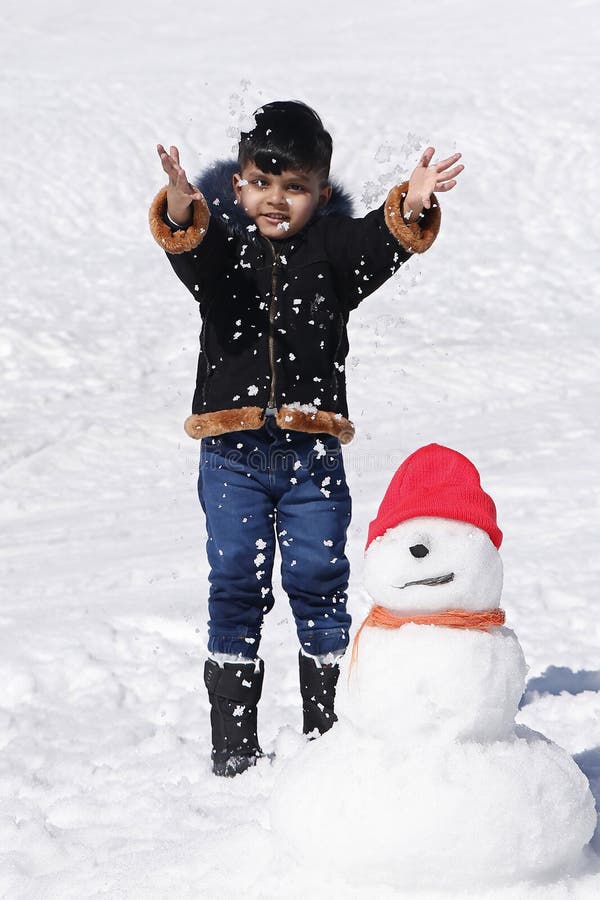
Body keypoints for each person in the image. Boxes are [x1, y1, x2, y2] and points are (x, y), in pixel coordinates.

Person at [149, 100, 463, 776]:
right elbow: (191, 248)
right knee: (235, 582)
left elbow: (383, 244)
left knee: (321, 581)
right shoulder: (223, 250)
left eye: (294, 187)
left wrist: (409, 205)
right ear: (237, 186)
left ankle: (328, 733)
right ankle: (233, 744)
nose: (276, 199)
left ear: (319, 192)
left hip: (310, 457)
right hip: (231, 457)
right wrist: (180, 209)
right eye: (262, 184)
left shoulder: (334, 249)